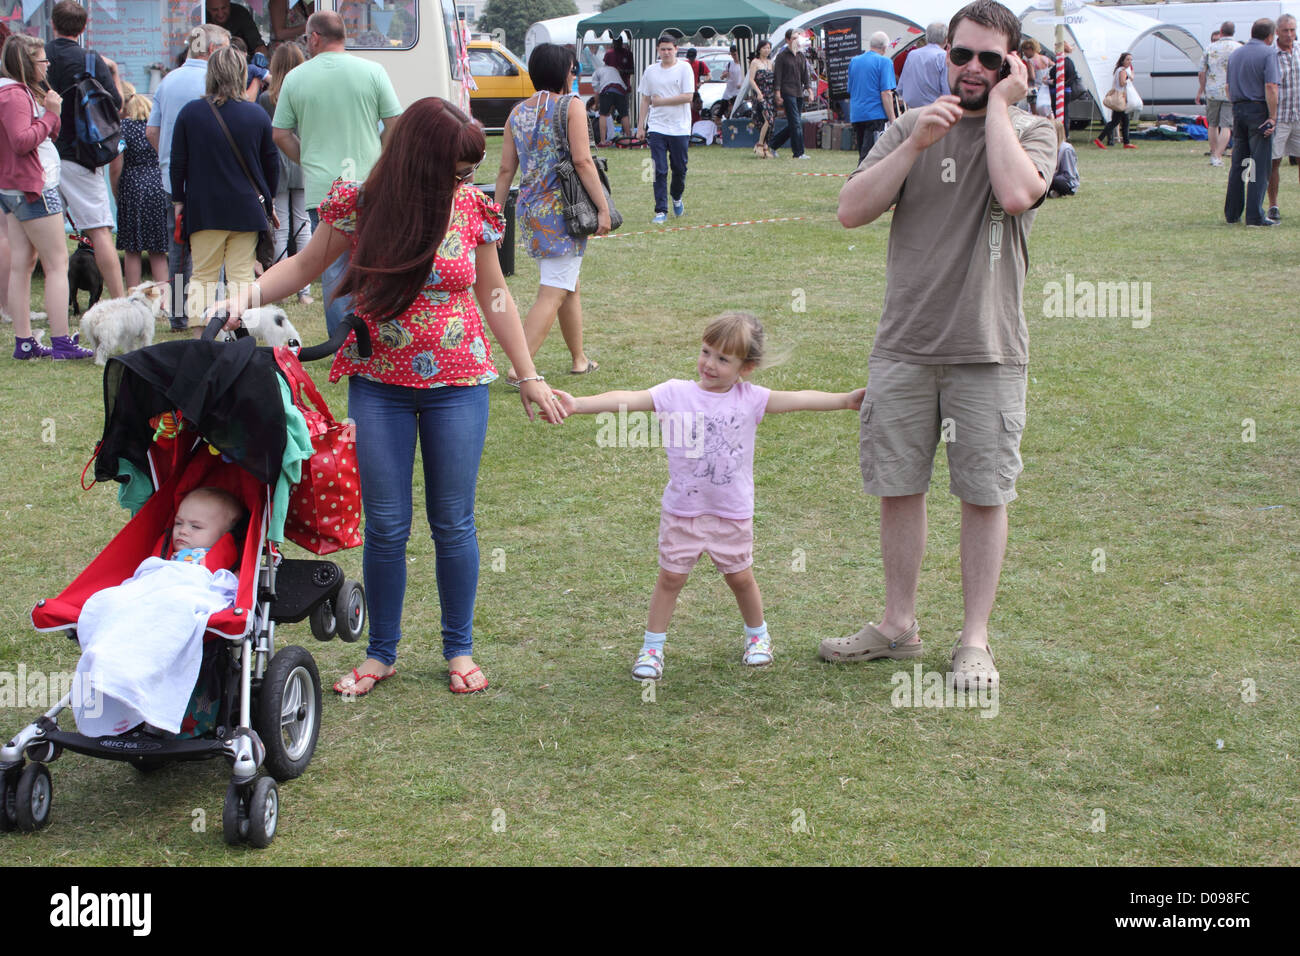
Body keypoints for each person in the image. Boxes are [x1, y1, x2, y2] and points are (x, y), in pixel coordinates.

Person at [214, 97, 564, 697]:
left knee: (453, 522)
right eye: (453, 169)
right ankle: (382, 653)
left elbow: (496, 294)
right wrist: (239, 301)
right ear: (416, 160)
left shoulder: (472, 207)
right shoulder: (359, 203)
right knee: (386, 526)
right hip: (380, 385)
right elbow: (301, 267)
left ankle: (459, 648)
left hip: (459, 385)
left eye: (466, 170)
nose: (462, 180)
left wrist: (527, 373)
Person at [833, 0, 1056, 690]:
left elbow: (1018, 195)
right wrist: (913, 146)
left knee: (983, 493)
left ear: (1011, 64)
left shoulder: (1031, 129)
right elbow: (851, 209)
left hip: (987, 346)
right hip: (904, 342)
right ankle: (898, 625)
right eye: (963, 55)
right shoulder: (909, 125)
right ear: (944, 56)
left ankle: (974, 641)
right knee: (898, 486)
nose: (973, 69)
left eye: (992, 59)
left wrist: (997, 110)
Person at [553, 312, 865, 679]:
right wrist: (579, 403)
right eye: (706, 352)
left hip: (731, 513)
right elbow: (629, 398)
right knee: (670, 578)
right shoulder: (674, 393)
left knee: (741, 578)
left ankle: (758, 638)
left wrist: (845, 400)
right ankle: (652, 648)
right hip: (682, 513)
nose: (709, 364)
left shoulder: (752, 399)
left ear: (745, 368)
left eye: (723, 359)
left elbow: (798, 399)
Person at [72, 487, 244, 739]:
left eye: (196, 527)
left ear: (223, 537)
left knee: (173, 610)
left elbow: (224, 593)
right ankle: (111, 670)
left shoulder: (216, 565)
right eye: (178, 523)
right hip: (154, 588)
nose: (183, 531)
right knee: (113, 603)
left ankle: (130, 680)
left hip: (185, 591)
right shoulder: (166, 557)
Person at [272, 9, 401, 334]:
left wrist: (307, 159)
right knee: (374, 261)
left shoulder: (295, 78)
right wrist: (379, 155)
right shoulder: (373, 71)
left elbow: (280, 133)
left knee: (331, 268)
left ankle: (343, 341)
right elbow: (395, 123)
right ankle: (376, 332)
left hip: (323, 187)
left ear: (314, 37)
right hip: (370, 182)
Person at [495, 43, 610, 384]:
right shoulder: (571, 105)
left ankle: (579, 358)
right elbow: (582, 161)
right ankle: (520, 369)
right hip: (564, 212)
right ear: (564, 73)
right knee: (554, 290)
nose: (574, 76)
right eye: (573, 70)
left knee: (566, 284)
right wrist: (603, 208)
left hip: (533, 212)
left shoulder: (517, 113)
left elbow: (504, 171)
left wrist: (497, 214)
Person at [171, 45, 279, 326]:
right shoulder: (256, 115)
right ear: (242, 73)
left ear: (211, 74)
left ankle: (201, 337)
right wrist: (269, 202)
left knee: (203, 276)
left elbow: (178, 163)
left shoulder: (190, 113)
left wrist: (179, 201)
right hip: (245, 208)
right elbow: (271, 165)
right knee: (242, 276)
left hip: (204, 207)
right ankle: (241, 337)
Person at [0, 34, 92, 360]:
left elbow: (37, 137)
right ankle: (62, 342)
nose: (47, 64)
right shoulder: (14, 96)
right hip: (33, 188)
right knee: (57, 264)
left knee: (23, 265)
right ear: (27, 64)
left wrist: (50, 114)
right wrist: (51, 115)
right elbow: (22, 141)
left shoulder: (13, 93)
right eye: (42, 60)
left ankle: (25, 342)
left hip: (14, 189)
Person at [148, 23, 231, 327]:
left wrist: (166, 157)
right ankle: (216, 309)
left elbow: (152, 130)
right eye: (225, 48)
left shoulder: (168, 81)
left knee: (178, 245)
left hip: (173, 178)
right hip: (211, 179)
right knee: (218, 245)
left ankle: (179, 314)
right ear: (212, 50)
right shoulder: (215, 81)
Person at [46, 0, 125, 303]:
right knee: (100, 231)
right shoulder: (91, 60)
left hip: (43, 151)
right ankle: (118, 299)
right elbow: (115, 104)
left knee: (27, 237)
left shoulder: (40, 57)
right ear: (84, 27)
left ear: (53, 24)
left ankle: (12, 306)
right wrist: (114, 71)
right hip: (81, 155)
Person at [258, 42, 312, 302]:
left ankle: (279, 290)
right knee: (303, 227)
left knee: (279, 230)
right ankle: (305, 291)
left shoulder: (265, 100)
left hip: (276, 167)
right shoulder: (308, 95)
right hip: (302, 162)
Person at [112, 84, 171, 291]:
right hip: (158, 185)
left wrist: (117, 192)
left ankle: (133, 295)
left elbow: (116, 167)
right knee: (158, 249)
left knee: (132, 249)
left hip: (133, 188)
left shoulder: (122, 128)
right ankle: (165, 299)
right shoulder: (154, 124)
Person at [1225, 18, 1280, 226]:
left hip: (1238, 109)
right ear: (1270, 36)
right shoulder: (1268, 53)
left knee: (1239, 164)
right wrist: (1272, 116)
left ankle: (1232, 213)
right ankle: (1255, 215)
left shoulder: (1236, 54)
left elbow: (1228, 87)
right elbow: (1271, 86)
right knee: (1259, 164)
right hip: (1258, 109)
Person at [636, 35, 693, 224]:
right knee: (659, 169)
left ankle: (676, 196)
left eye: (669, 49)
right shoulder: (651, 71)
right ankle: (661, 210)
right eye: (663, 49)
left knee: (679, 168)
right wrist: (641, 126)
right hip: (657, 127)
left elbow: (687, 97)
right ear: (658, 51)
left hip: (680, 128)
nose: (666, 52)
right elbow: (645, 99)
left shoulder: (685, 68)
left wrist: (661, 102)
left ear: (676, 49)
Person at [1267, 14, 1299, 221]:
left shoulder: (1298, 50)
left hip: (1299, 115)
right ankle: (1273, 205)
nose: (1290, 34)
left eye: (1293, 30)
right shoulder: (1271, 55)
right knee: (1274, 162)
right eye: (1286, 30)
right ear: (1277, 32)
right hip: (1280, 117)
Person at [849, 31, 897, 162]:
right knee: (869, 158)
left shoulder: (854, 61)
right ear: (885, 47)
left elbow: (850, 88)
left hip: (857, 114)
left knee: (863, 153)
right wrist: (893, 119)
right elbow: (886, 92)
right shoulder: (885, 62)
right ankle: (859, 181)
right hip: (875, 115)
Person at [1198, 21, 1242, 167]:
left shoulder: (1210, 47)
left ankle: (1213, 152)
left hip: (1212, 91)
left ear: (1221, 31)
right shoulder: (1239, 48)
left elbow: (1202, 71)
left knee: (1212, 124)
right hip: (1231, 91)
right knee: (1226, 125)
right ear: (1233, 32)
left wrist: (1203, 88)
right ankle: (1218, 155)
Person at [770, 29, 814, 159]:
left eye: (797, 38)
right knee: (795, 122)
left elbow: (805, 75)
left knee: (794, 123)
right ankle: (799, 152)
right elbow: (777, 76)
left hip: (798, 92)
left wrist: (809, 90)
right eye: (794, 38)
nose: (796, 40)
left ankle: (772, 144)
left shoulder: (801, 55)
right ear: (788, 40)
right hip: (787, 92)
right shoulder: (782, 56)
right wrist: (777, 93)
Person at [897, 22, 949, 109]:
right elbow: (947, 89)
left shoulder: (912, 54)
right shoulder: (943, 56)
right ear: (945, 39)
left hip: (912, 110)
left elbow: (901, 86)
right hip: (934, 110)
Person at [1095, 52, 1138, 150]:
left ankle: (1126, 142)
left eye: (1131, 60)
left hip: (1120, 98)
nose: (1129, 62)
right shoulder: (1122, 71)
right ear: (1122, 60)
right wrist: (1130, 78)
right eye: (1127, 59)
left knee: (1124, 120)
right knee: (1115, 122)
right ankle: (1099, 139)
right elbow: (1122, 83)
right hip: (1120, 98)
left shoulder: (1119, 70)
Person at [746, 40, 777, 157]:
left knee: (771, 122)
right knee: (767, 119)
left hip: (770, 95)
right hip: (760, 95)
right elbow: (751, 79)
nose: (767, 50)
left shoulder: (770, 63)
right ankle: (760, 145)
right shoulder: (755, 62)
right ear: (759, 49)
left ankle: (765, 146)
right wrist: (758, 93)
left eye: (768, 48)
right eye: (764, 48)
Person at [591, 57, 628, 145]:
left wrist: (596, 105)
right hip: (620, 90)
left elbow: (597, 91)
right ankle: (628, 138)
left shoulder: (597, 72)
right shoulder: (614, 69)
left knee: (603, 114)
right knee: (624, 115)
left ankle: (603, 141)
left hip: (607, 90)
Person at [1049, 118, 1079, 196]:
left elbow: (1069, 175)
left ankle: (1056, 192)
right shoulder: (1049, 147)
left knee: (1056, 181)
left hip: (1066, 183)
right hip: (1051, 177)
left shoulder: (1066, 149)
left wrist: (1051, 176)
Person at [718, 45, 746, 117]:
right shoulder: (729, 64)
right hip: (729, 91)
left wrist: (742, 85)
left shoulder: (744, 64)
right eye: (732, 54)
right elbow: (722, 76)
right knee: (721, 111)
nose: (734, 56)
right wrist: (724, 75)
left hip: (739, 92)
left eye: (735, 54)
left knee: (737, 111)